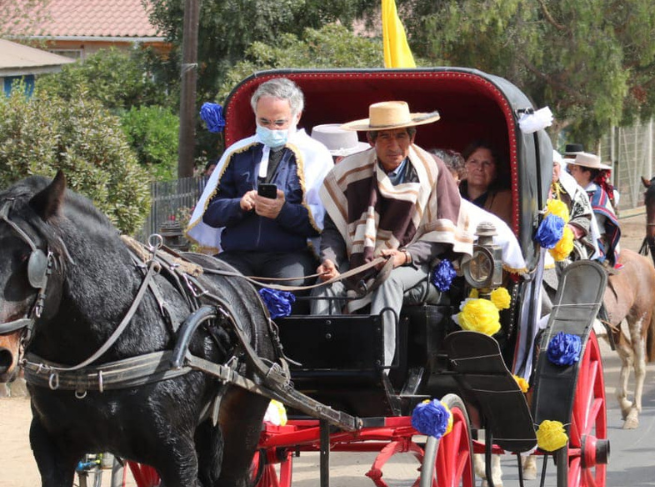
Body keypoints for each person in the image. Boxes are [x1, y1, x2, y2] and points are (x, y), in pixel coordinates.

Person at [315, 101, 470, 362]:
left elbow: (441, 236)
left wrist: (403, 257)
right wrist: (328, 260)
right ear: (371, 139)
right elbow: (333, 229)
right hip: (359, 261)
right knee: (324, 284)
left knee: (390, 281)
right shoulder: (350, 171)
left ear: (412, 137)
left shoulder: (432, 170)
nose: (393, 144)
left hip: (416, 265)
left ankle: (379, 365)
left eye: (400, 135)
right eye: (385, 136)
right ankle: (322, 361)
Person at [187, 77, 334, 289]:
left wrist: (282, 211)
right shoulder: (237, 153)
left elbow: (323, 221)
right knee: (214, 289)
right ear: (255, 115)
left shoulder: (315, 154)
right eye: (264, 122)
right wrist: (239, 204)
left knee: (290, 289)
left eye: (279, 122)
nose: (272, 128)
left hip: (289, 255)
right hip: (237, 254)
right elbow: (211, 212)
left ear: (297, 116)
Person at [567, 152, 621, 266]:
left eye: (576, 169)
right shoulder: (573, 190)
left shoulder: (598, 195)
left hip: (592, 241)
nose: (572, 172)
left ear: (586, 174)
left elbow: (590, 223)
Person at [550, 151, 600, 262]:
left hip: (568, 246)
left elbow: (584, 216)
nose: (551, 169)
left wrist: (568, 231)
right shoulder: (530, 191)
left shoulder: (573, 190)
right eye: (546, 165)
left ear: (560, 166)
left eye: (554, 165)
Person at [460, 139, 514, 230]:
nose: (480, 168)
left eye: (486, 164)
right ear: (463, 167)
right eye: (474, 162)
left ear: (495, 172)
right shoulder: (452, 196)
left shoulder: (506, 200)